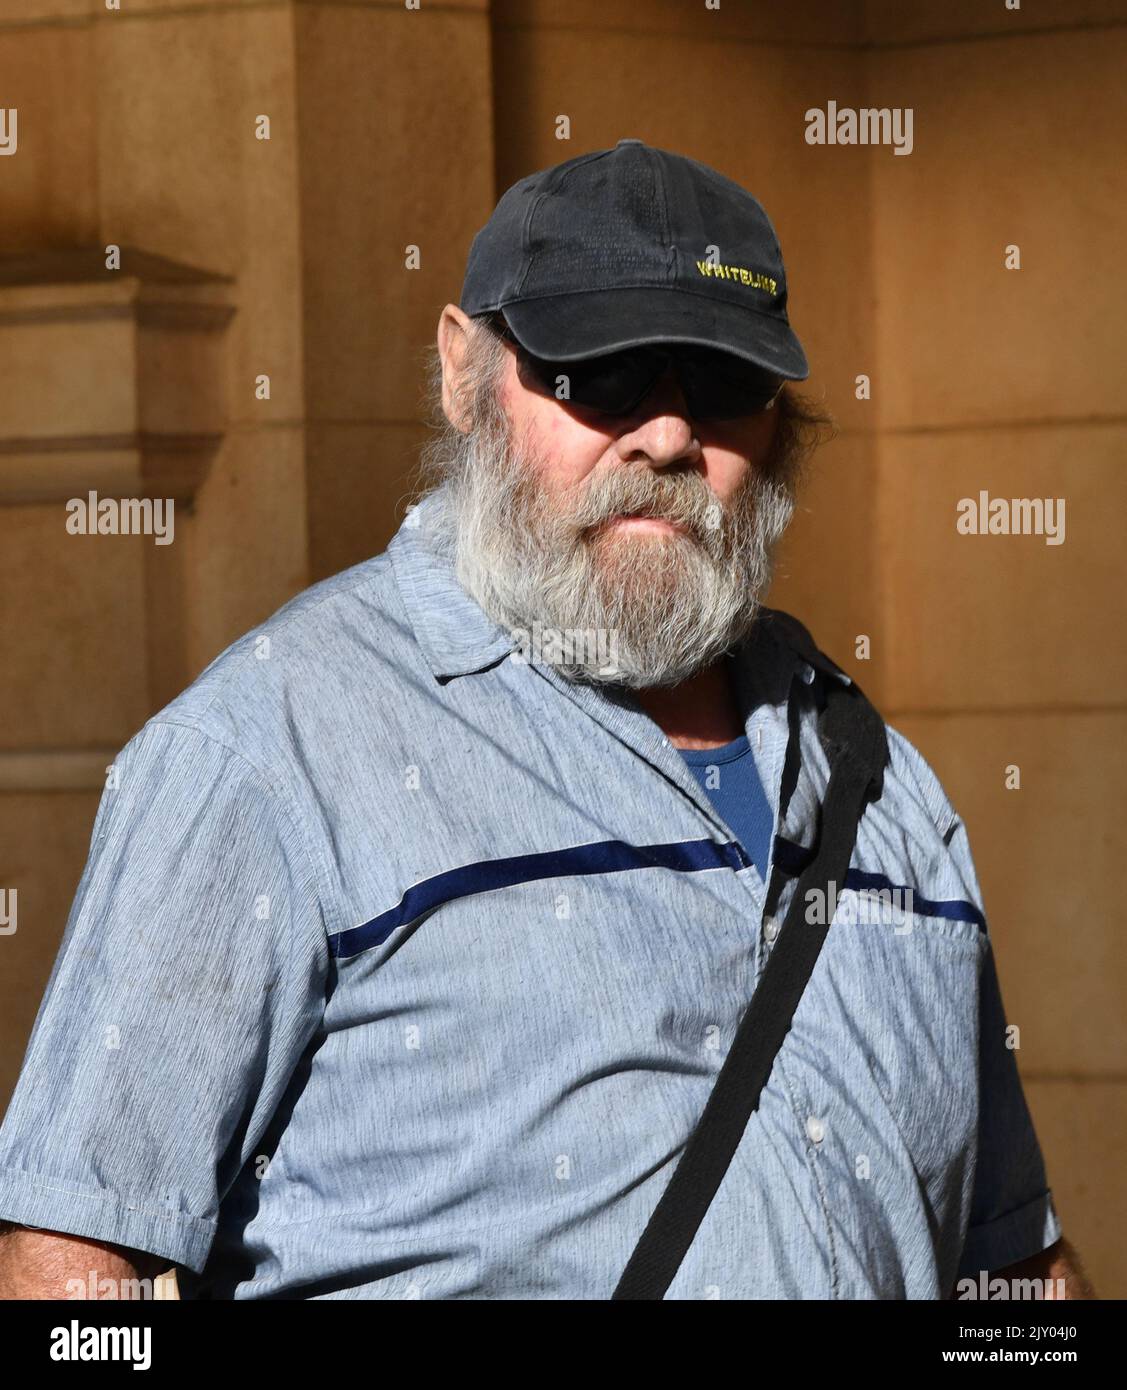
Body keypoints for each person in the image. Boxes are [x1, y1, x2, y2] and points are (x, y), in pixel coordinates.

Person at [0, 140, 1093, 1299]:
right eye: (601, 371)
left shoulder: (878, 784)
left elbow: (1007, 1266)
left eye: (718, 384)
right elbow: (68, 1275)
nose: (666, 436)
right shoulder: (266, 756)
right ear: (463, 374)